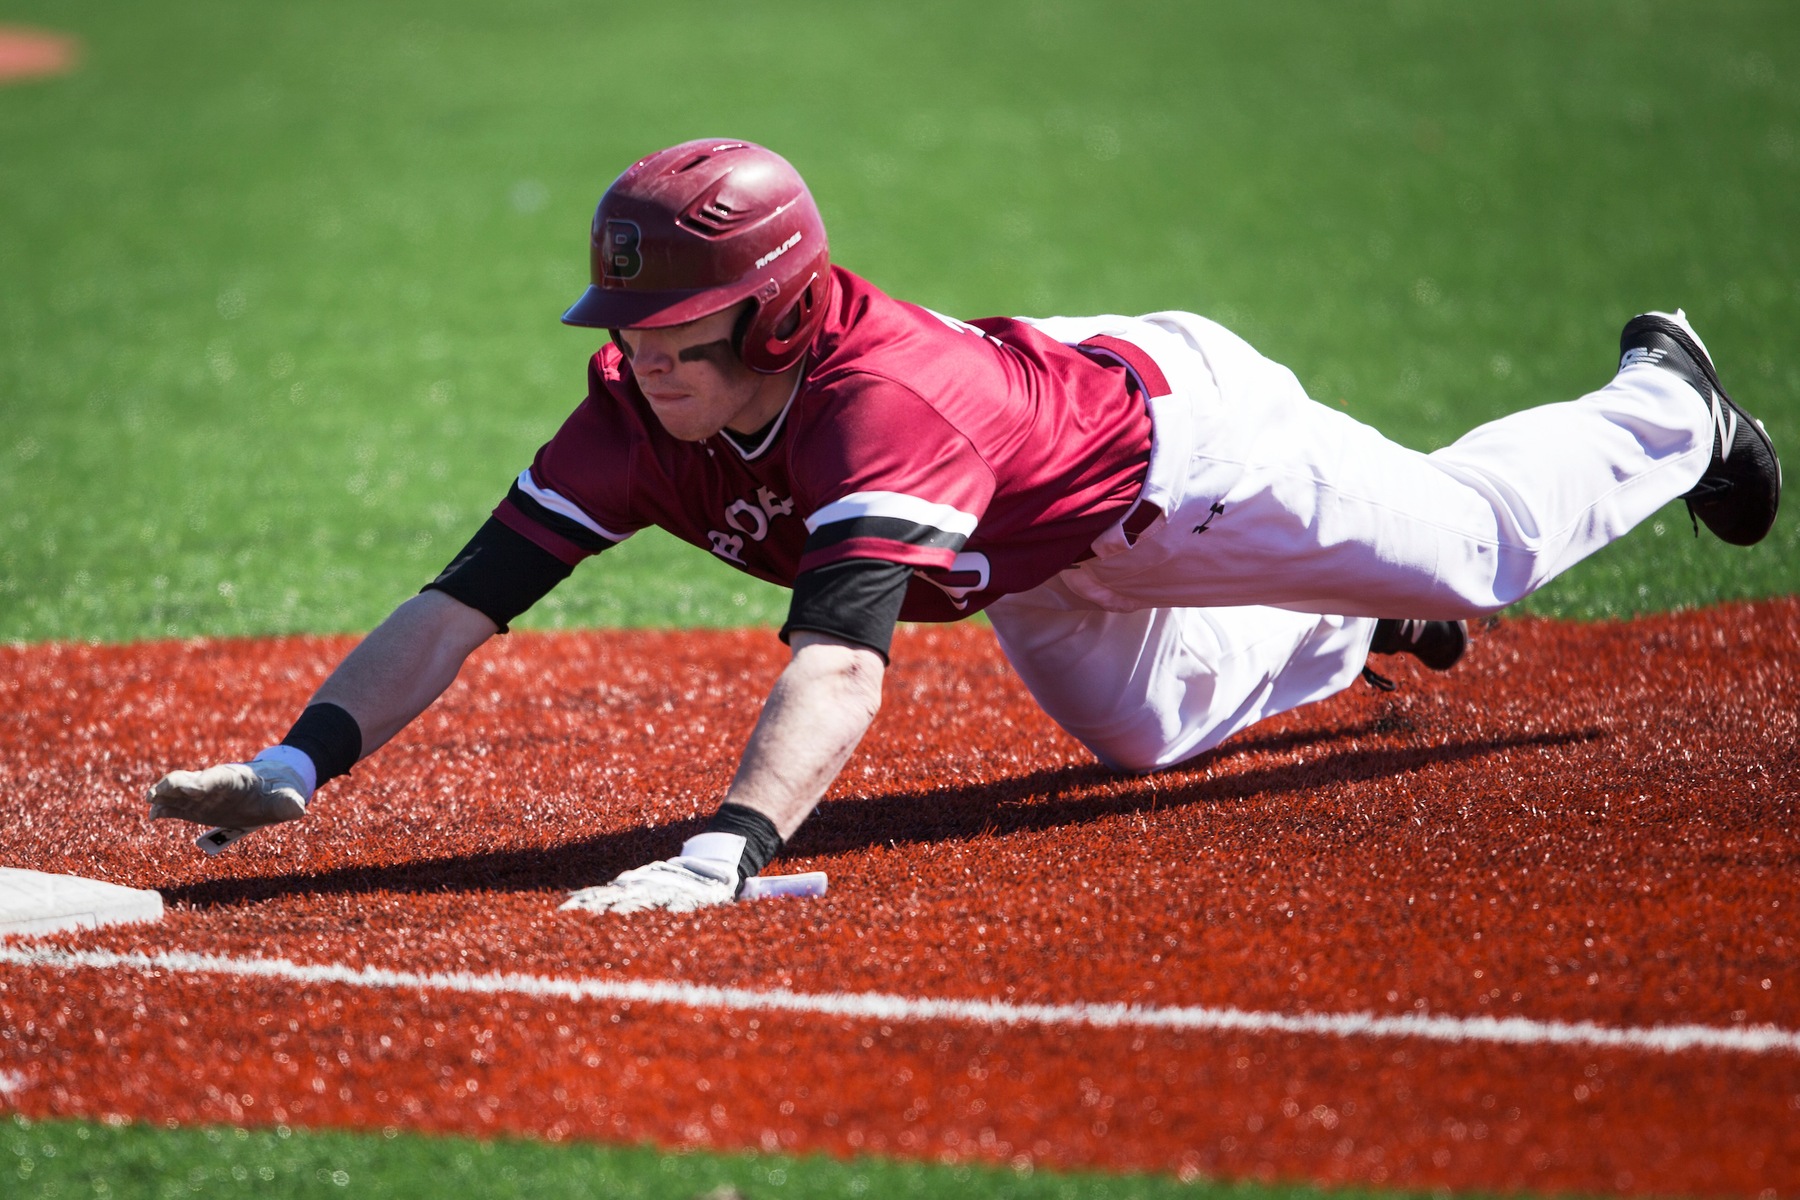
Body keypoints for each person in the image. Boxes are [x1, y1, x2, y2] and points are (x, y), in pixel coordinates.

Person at [148, 139, 1782, 914]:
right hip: (1027, 534)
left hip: (1182, 454)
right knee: (1141, 738)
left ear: (781, 321)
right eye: (631, 327)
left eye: (681, 330)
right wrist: (300, 763)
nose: (640, 357)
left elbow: (841, 665)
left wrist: (731, 849)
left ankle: (1669, 404)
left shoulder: (885, 409)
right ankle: (1347, 627)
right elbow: (467, 599)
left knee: (1480, 554)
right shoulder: (642, 406)